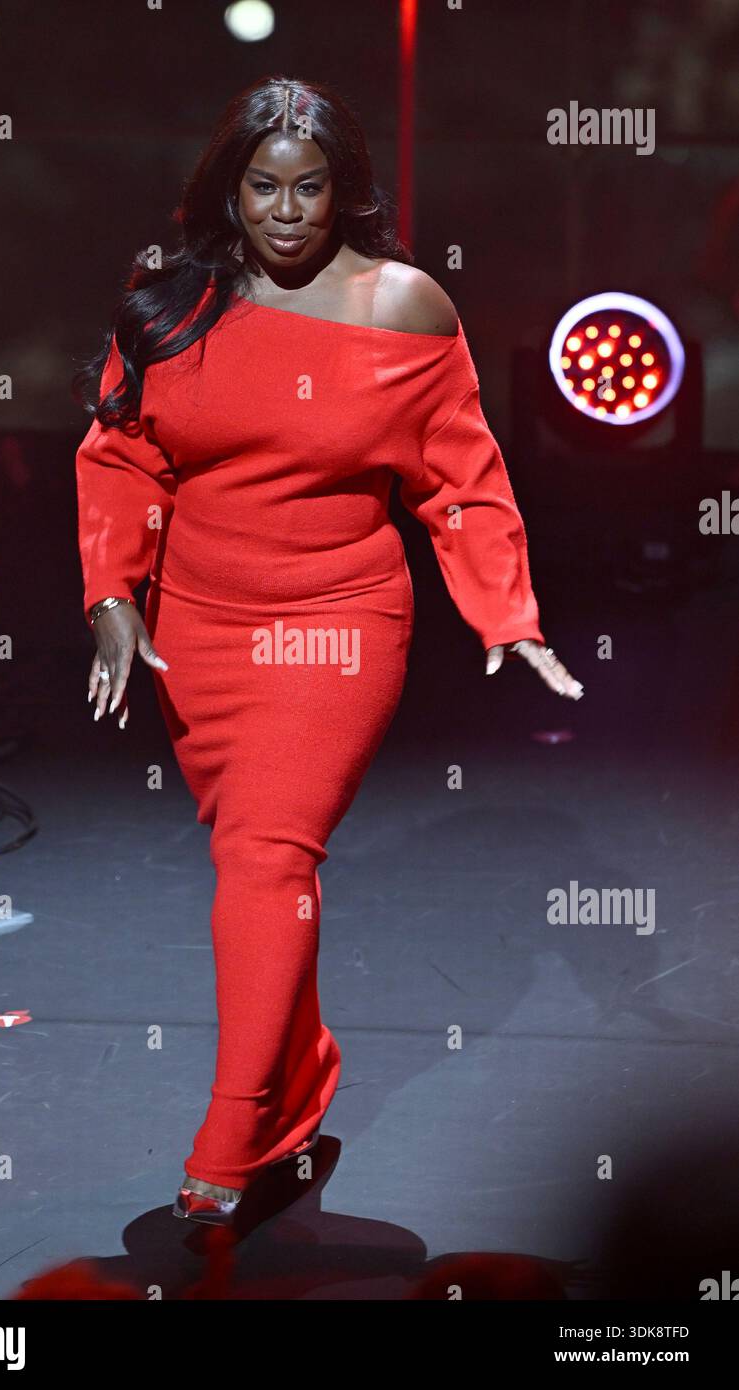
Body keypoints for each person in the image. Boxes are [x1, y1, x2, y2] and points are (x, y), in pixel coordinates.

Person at [73, 75, 583, 1227]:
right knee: (262, 873)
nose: (288, 211)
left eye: (311, 188)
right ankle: (297, 1096)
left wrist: (507, 615)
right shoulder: (173, 299)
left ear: (344, 193)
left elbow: (463, 482)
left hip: (339, 623)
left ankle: (225, 1145)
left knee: (265, 860)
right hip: (197, 631)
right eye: (265, 187)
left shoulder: (402, 308)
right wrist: (112, 590)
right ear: (231, 188)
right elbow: (120, 456)